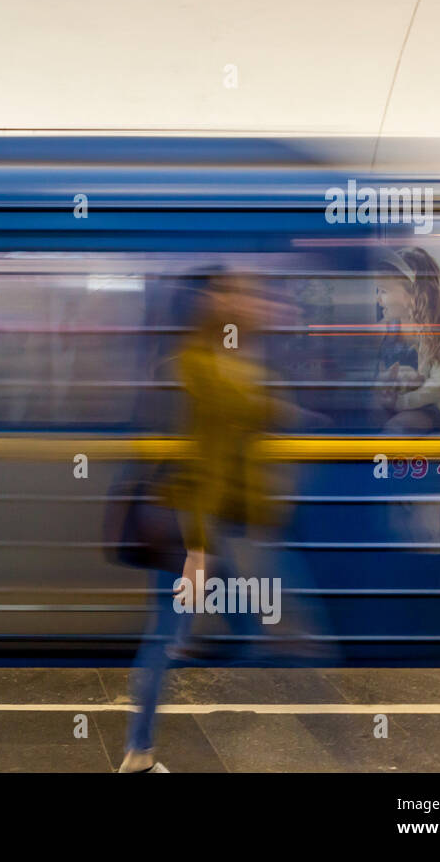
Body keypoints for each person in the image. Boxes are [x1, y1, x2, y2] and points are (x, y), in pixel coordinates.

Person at [120, 272, 288, 773]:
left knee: (240, 627)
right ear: (210, 303)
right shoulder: (195, 366)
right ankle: (139, 751)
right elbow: (191, 463)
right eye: (238, 293)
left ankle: (173, 664)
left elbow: (255, 416)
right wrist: (195, 550)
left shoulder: (227, 362)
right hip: (187, 524)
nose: (252, 301)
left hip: (206, 525)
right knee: (169, 635)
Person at [374, 247, 440, 434]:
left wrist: (404, 403)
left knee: (397, 428)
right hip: (393, 403)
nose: (378, 299)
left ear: (411, 294)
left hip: (430, 408)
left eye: (384, 291)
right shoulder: (385, 330)